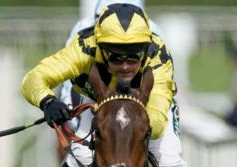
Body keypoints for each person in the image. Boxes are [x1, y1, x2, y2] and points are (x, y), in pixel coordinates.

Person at [19, 4, 237, 167]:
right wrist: (47, 101)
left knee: (168, 159)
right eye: (115, 57)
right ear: (100, 46)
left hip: (146, 110)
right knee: (81, 157)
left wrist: (131, 124)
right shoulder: (84, 46)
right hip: (96, 101)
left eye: (133, 58)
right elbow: (34, 78)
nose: (124, 66)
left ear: (144, 49)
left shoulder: (158, 55)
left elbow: (155, 122)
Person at [59, 0, 163, 132]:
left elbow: (162, 81)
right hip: (93, 93)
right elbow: (69, 80)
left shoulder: (154, 31)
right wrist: (69, 111)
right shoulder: (83, 29)